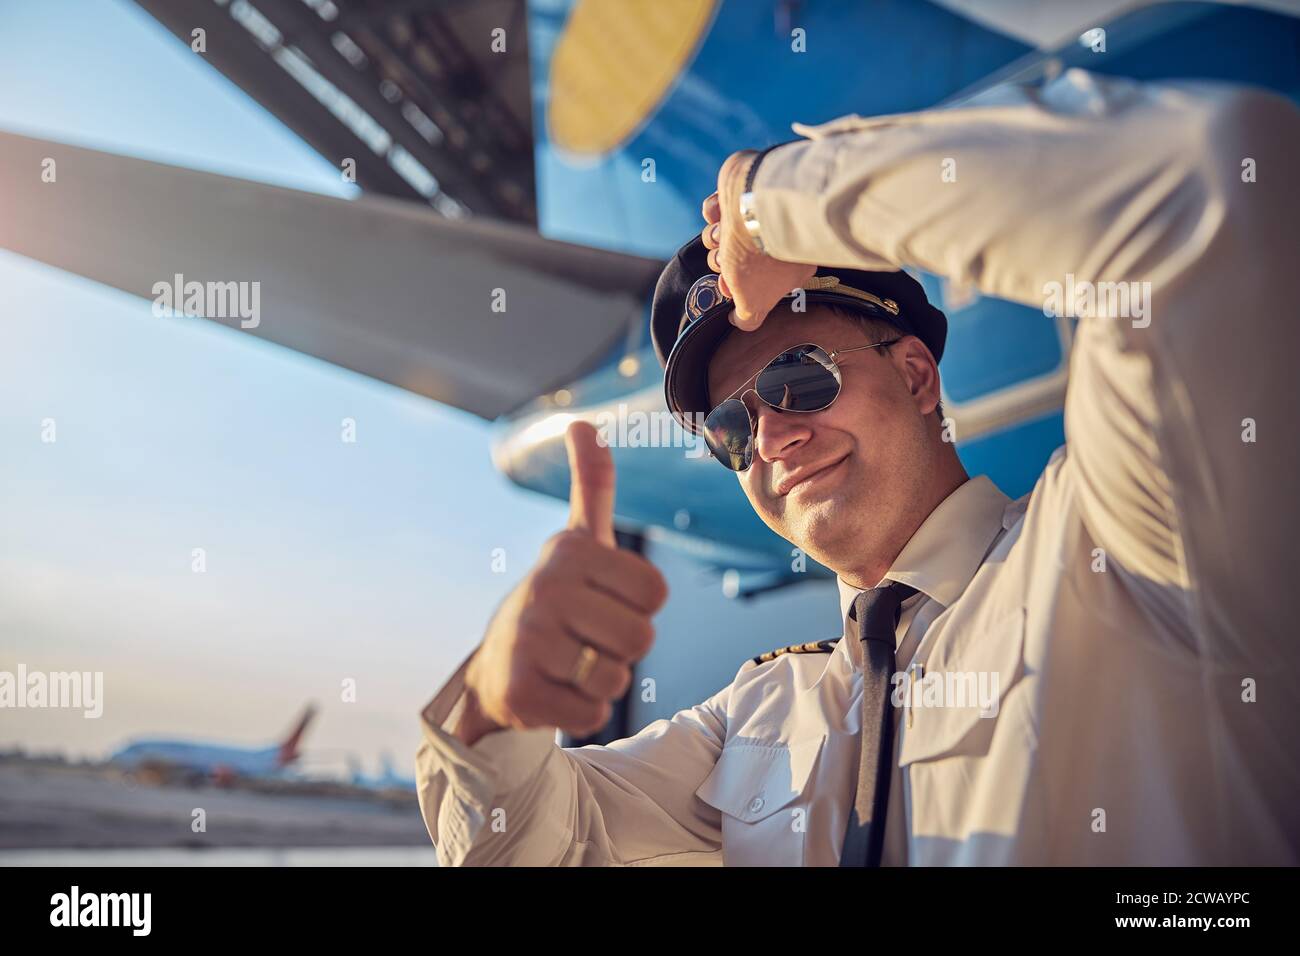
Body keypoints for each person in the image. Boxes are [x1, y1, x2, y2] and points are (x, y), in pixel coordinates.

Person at [414, 68, 1300, 865]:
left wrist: (775, 204)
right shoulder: (755, 716)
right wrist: (496, 711)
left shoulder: (1125, 542)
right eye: (728, 427)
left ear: (916, 375)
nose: (767, 440)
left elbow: (1211, 182)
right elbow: (534, 848)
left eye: (799, 379)